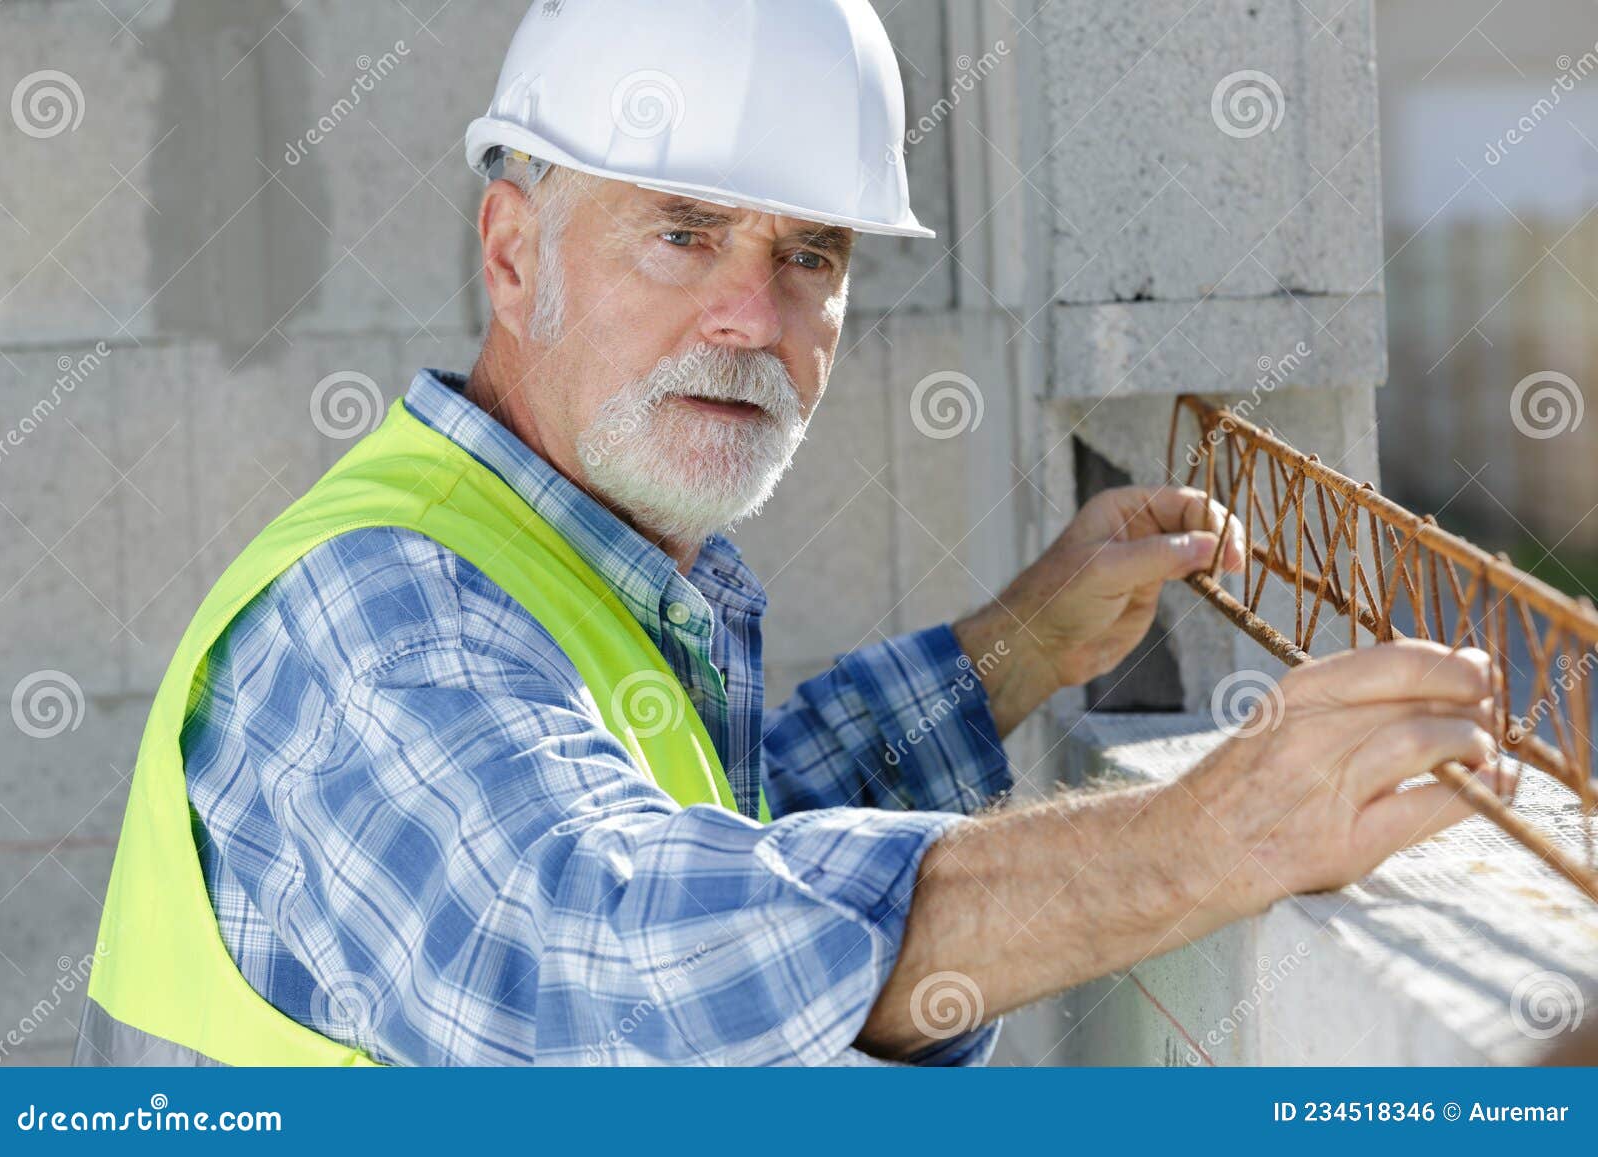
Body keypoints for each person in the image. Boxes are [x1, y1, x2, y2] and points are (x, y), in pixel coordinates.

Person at [77, 0, 1505, 1066]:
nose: (753, 319)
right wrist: (1212, 834)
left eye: (808, 254)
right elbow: (614, 952)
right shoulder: (377, 615)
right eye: (683, 234)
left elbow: (716, 828)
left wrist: (1013, 649)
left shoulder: (580, 565)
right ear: (515, 255)